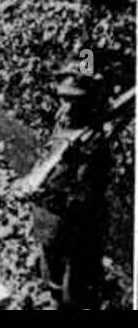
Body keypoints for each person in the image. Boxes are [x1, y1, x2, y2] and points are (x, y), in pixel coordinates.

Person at [23, 70, 112, 310]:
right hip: (49, 214)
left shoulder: (94, 142)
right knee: (50, 269)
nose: (68, 106)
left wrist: (76, 160)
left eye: (75, 101)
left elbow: (88, 190)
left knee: (75, 284)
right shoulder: (61, 123)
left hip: (75, 219)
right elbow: (47, 158)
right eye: (65, 98)